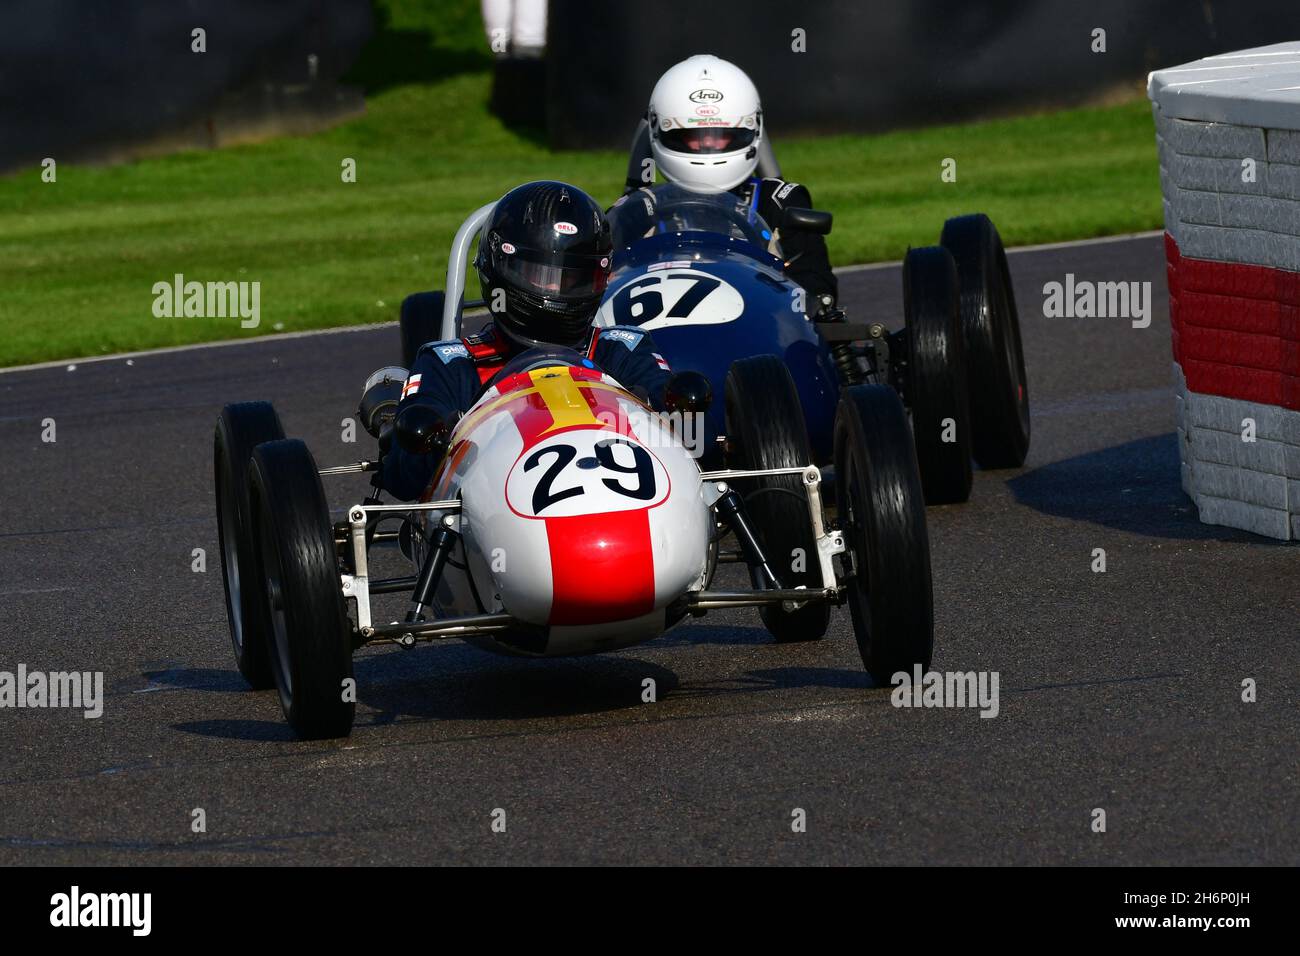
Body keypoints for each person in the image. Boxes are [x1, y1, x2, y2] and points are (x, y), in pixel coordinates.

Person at [380, 181, 675, 501]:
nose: (554, 290)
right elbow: (404, 479)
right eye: (539, 274)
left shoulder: (623, 350)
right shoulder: (452, 364)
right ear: (499, 267)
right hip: (498, 521)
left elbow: (694, 442)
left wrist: (661, 411)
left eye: (571, 277)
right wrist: (439, 439)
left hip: (627, 503)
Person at [616, 54, 838, 312]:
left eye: (721, 136)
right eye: (693, 136)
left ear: (749, 130)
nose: (708, 144)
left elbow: (818, 293)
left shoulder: (779, 202)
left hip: (758, 332)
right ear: (661, 131)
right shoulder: (642, 210)